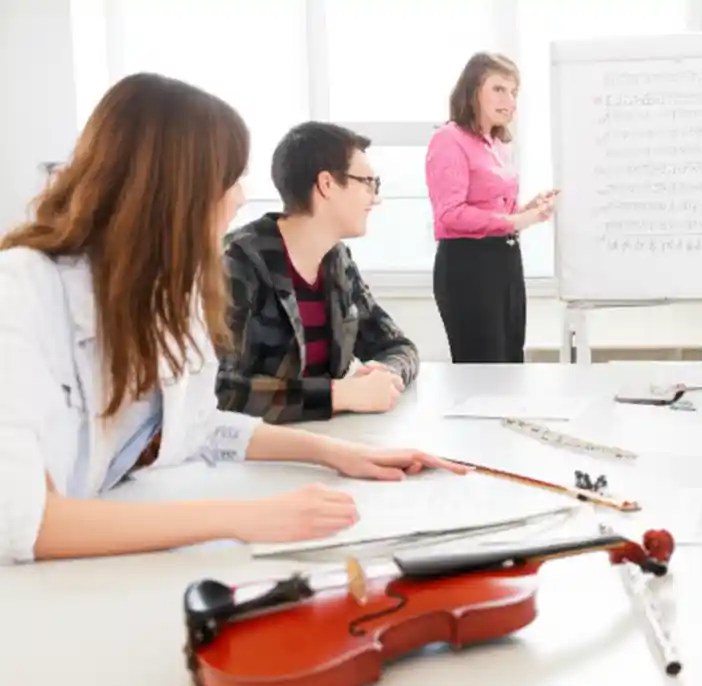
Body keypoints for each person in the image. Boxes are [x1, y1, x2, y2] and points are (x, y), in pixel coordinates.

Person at [0, 73, 465, 566]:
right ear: (173, 188)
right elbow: (25, 520)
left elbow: (200, 426)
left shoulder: (166, 291)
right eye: (230, 177)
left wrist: (336, 454)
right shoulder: (23, 288)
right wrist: (243, 518)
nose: (241, 196)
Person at [218, 122, 417, 424]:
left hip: (326, 441)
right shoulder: (238, 261)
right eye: (367, 182)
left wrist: (385, 373)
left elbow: (397, 345)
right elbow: (221, 391)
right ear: (326, 184)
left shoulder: (337, 260)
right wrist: (341, 394)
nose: (375, 198)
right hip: (253, 456)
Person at [426, 52, 556, 364]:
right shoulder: (449, 139)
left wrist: (528, 209)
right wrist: (517, 220)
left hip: (506, 262)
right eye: (499, 89)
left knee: (511, 361)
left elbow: (502, 213)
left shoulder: (498, 145)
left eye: (514, 92)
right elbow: (450, 214)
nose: (509, 100)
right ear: (473, 91)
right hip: (469, 266)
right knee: (484, 369)